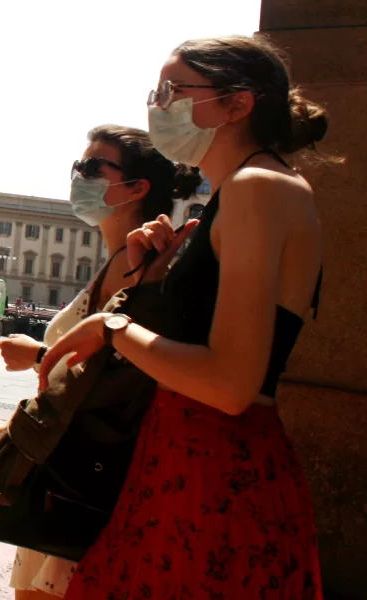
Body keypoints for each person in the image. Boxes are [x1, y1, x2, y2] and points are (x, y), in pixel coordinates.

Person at [42, 35, 329, 598]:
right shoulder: (250, 189)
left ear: (237, 103)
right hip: (194, 452)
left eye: (173, 90)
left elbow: (229, 384)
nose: (158, 104)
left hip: (210, 463)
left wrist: (113, 328)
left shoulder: (256, 187)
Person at [0, 123, 201, 600]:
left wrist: (39, 363)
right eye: (79, 166)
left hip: (82, 481)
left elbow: (111, 379)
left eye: (94, 167)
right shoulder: (118, 259)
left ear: (136, 187)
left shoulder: (144, 266)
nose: (79, 175)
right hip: (64, 464)